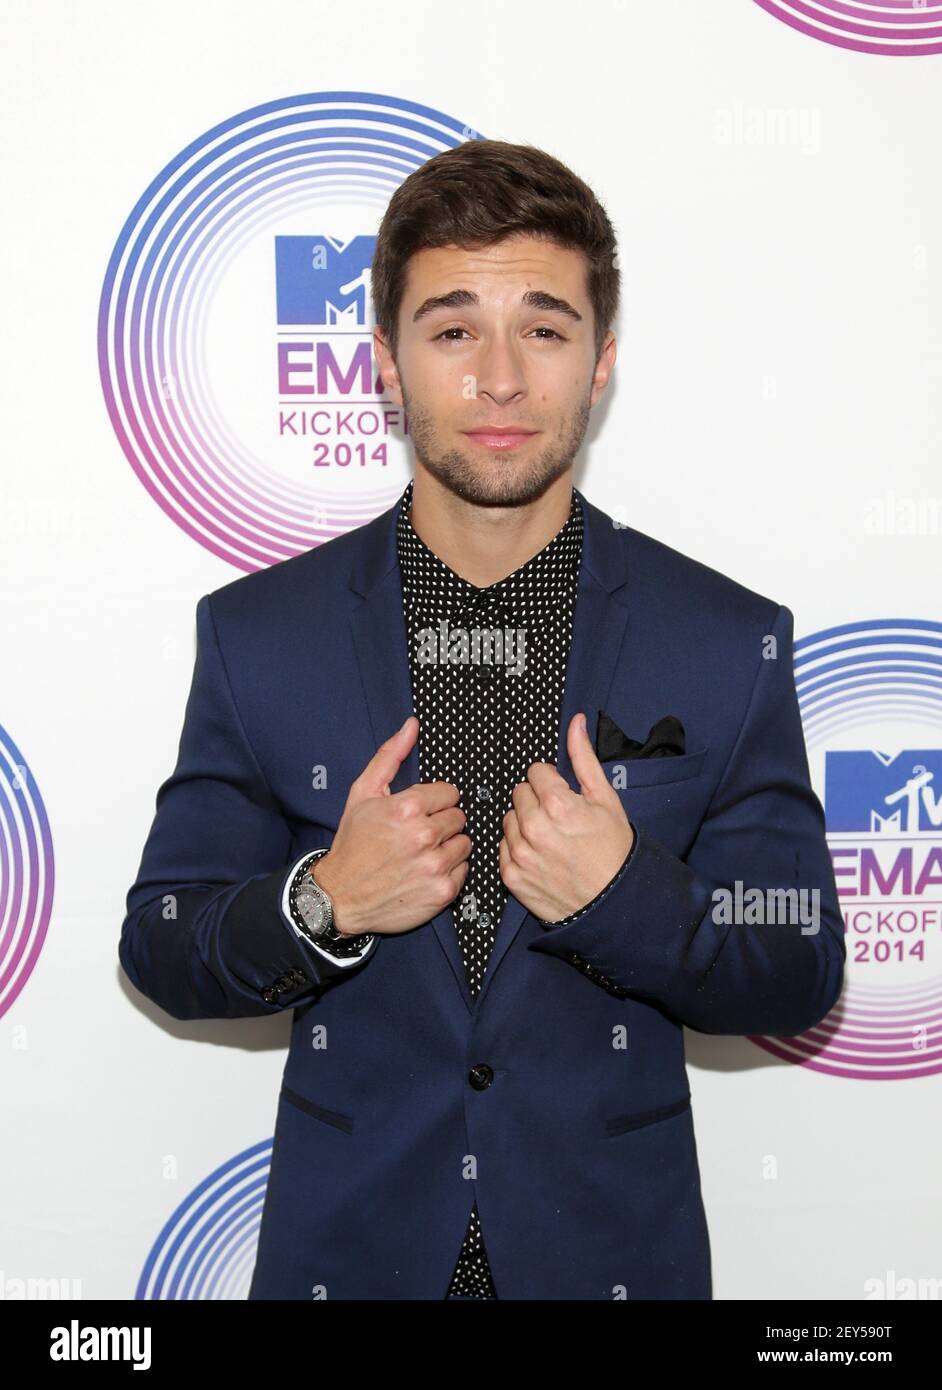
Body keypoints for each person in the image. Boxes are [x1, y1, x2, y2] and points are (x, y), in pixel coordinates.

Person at [118, 139, 845, 1301]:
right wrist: (324, 899)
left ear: (601, 362)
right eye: (453, 330)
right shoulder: (261, 634)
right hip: (348, 1263)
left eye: (544, 329)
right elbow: (162, 938)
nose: (500, 379)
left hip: (611, 1263)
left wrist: (626, 897)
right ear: (386, 364)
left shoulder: (725, 640)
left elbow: (798, 958)